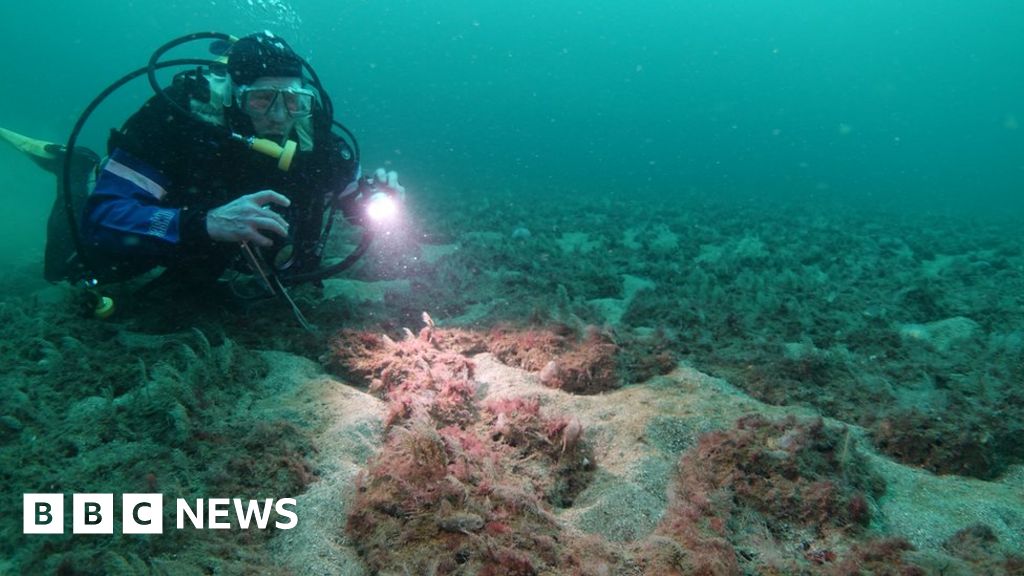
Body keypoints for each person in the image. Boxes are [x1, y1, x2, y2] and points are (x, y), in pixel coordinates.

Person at [78, 31, 404, 293]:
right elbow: (104, 217)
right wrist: (204, 224)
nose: (279, 116)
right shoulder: (178, 119)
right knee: (93, 264)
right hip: (177, 227)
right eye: (261, 99)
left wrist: (377, 197)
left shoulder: (312, 131)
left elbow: (352, 198)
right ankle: (83, 165)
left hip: (229, 261)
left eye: (293, 100)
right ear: (235, 96)